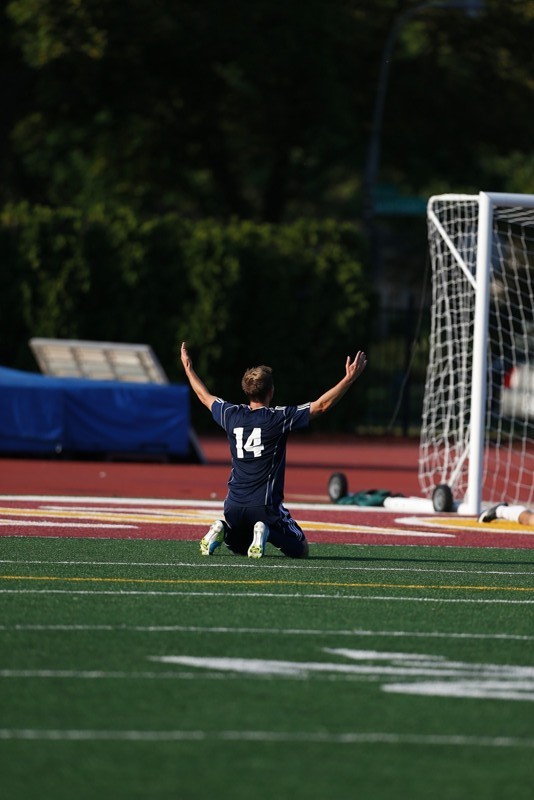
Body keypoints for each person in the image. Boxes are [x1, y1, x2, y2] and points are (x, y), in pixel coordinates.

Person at [180, 341, 367, 559]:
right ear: (271, 391)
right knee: (301, 549)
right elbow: (321, 406)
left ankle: (222, 527)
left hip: (233, 506)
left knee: (238, 546)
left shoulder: (230, 414)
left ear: (246, 390)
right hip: (265, 506)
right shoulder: (279, 418)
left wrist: (189, 369)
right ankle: (264, 531)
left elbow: (204, 396)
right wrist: (348, 379)